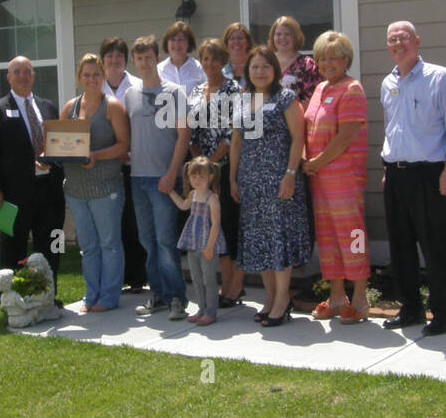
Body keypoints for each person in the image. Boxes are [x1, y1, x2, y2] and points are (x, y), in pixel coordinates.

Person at [380, 21, 446, 335]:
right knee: (400, 247)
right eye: (392, 40)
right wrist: (387, 170)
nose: (398, 44)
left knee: (436, 246)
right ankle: (411, 309)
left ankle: (444, 313)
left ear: (416, 41)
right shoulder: (387, 83)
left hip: (431, 174)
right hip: (396, 174)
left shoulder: (438, 77)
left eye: (404, 38)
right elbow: (392, 129)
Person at [230, 46, 309, 326]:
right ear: (247, 71)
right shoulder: (242, 99)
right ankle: (269, 297)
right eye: (254, 67)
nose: (260, 72)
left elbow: (298, 138)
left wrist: (290, 174)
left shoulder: (286, 98)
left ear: (275, 69)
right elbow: (237, 142)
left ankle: (282, 299)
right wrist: (233, 178)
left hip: (279, 180)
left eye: (265, 66)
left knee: (278, 238)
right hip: (250, 181)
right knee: (259, 240)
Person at [302, 31, 370, 323]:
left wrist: (317, 160)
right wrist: (307, 159)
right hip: (319, 177)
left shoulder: (352, 89)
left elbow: (346, 136)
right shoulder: (319, 90)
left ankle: (360, 299)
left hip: (344, 176)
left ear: (346, 59)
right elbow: (308, 128)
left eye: (334, 57)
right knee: (328, 236)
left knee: (351, 235)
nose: (327, 63)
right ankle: (337, 297)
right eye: (322, 58)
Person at [0, 56, 66, 279]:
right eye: (17, 71)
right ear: (8, 77)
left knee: (51, 246)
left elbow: (57, 145)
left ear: (34, 76)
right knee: (13, 248)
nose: (23, 76)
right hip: (13, 194)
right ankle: (12, 300)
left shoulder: (48, 107)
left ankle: (49, 295)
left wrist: (52, 162)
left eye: (27, 71)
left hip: (48, 190)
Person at [125, 35, 191, 320]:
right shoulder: (130, 95)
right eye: (139, 59)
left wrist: (172, 173)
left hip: (163, 179)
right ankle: (159, 296)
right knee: (148, 241)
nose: (144, 63)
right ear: (134, 62)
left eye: (149, 57)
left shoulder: (175, 92)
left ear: (157, 58)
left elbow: (183, 137)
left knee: (166, 241)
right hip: (137, 178)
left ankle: (177, 297)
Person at [62, 54, 130, 312]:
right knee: (88, 247)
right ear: (80, 77)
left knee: (109, 244)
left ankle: (109, 297)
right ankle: (91, 295)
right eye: (87, 74)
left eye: (96, 74)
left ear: (103, 77)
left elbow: (125, 145)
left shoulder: (112, 106)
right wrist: (48, 156)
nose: (92, 79)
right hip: (76, 190)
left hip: (106, 188)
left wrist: (97, 156)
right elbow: (58, 141)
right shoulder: (69, 107)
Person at [186, 37, 245, 307]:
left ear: (223, 61)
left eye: (215, 58)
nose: (210, 63)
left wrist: (212, 164)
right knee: (213, 227)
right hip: (203, 172)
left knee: (229, 227)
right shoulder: (197, 91)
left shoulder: (234, 89)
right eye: (205, 58)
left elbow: (232, 133)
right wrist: (198, 162)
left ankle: (235, 287)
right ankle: (225, 286)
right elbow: (192, 131)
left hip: (224, 167)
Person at [100, 37, 146, 294]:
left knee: (133, 222)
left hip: (134, 165)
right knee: (110, 224)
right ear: (102, 60)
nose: (114, 60)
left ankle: (137, 277)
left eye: (119, 56)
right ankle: (113, 278)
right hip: (105, 167)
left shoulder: (138, 86)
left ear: (125, 60)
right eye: (109, 56)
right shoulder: (95, 89)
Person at [169, 156, 226, 325]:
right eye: (194, 176)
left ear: (210, 177)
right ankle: (201, 309)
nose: (197, 180)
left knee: (208, 279)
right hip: (193, 242)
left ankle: (210, 312)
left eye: (201, 176)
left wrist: (209, 247)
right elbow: (183, 205)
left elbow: (215, 224)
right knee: (196, 278)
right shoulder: (193, 195)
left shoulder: (212, 198)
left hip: (207, 244)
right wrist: (170, 192)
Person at [268, 15, 320, 107]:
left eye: (287, 34)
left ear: (296, 37)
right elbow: (256, 94)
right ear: (272, 37)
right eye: (278, 34)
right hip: (266, 119)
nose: (282, 38)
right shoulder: (265, 62)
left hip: (296, 119)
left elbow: (313, 101)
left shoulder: (307, 65)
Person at [157, 20, 206, 91]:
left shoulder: (199, 68)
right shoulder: (159, 70)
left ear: (188, 43)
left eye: (181, 39)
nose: (176, 44)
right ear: (166, 43)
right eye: (172, 40)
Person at [222, 22, 253, 90]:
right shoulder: (221, 71)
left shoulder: (255, 68)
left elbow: (260, 95)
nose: (236, 42)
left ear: (248, 42)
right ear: (226, 43)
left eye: (240, 38)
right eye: (232, 38)